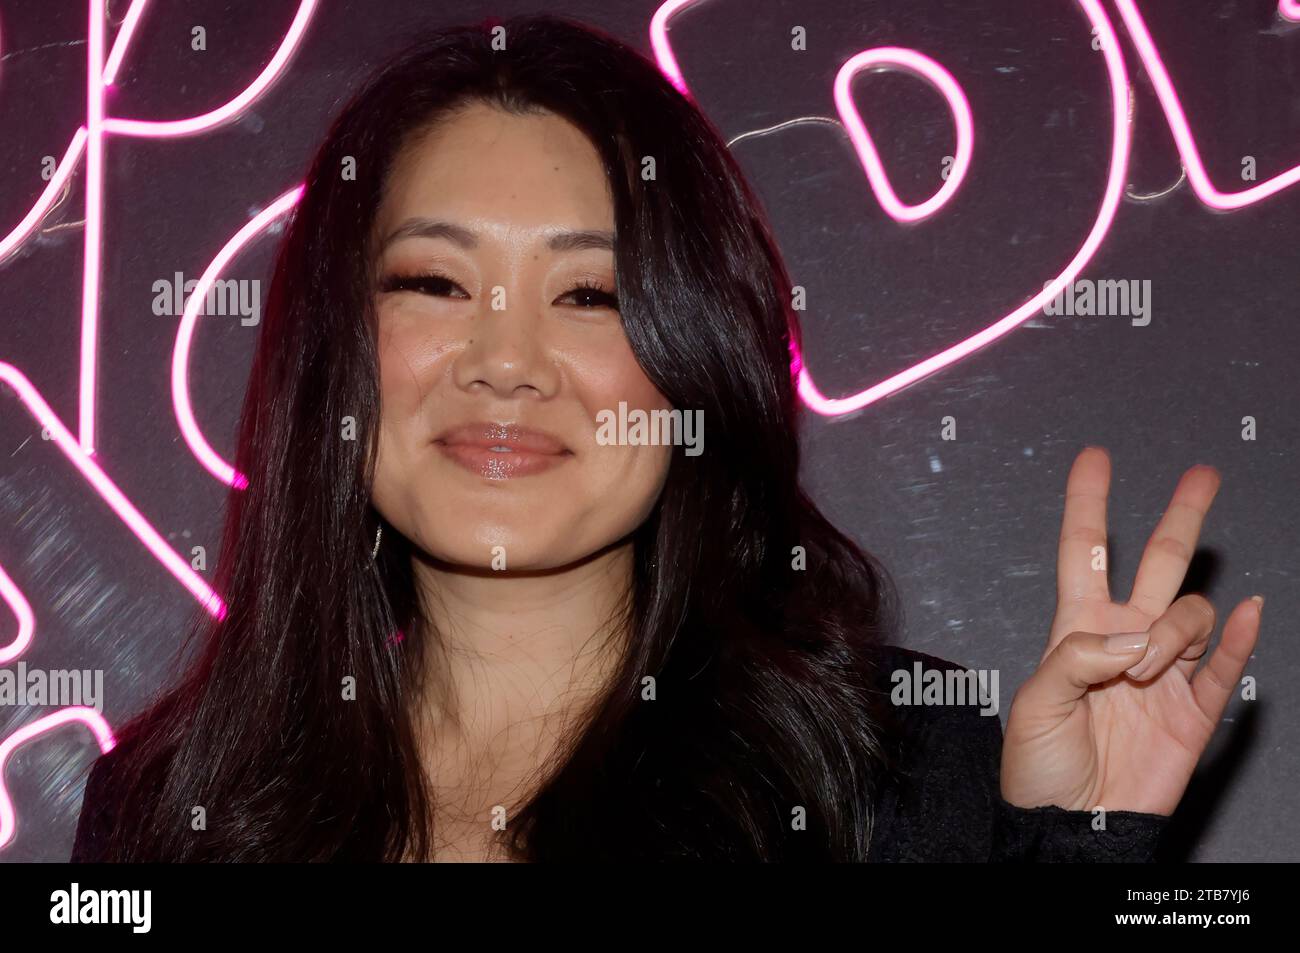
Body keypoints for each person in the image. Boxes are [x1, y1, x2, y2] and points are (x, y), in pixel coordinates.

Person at [70, 14, 1260, 862]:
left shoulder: (889, 778)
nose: (503, 359)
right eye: (432, 281)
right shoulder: (169, 805)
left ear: (699, 362)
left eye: (589, 295)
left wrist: (1071, 851)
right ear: (337, 340)